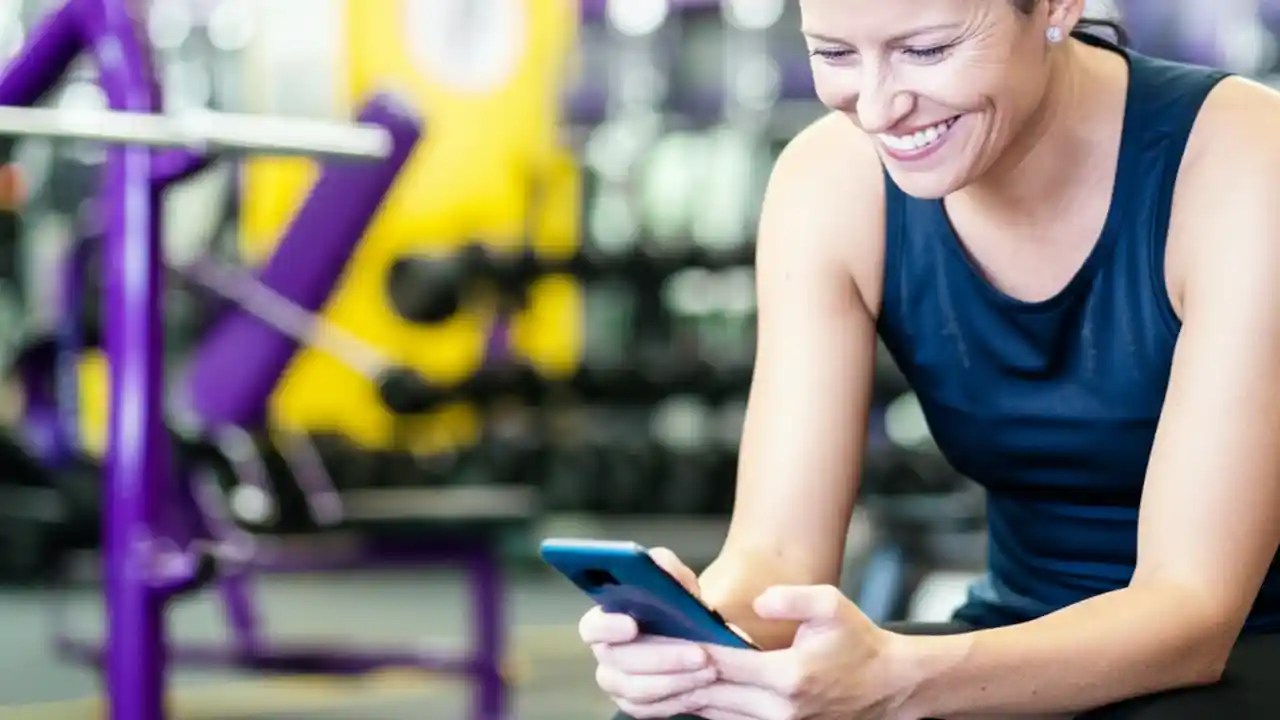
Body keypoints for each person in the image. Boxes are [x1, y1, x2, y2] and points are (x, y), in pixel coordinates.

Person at [578, 0, 1280, 718]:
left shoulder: (1243, 160)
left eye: (927, 50)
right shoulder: (831, 179)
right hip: (1010, 637)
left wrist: (900, 677)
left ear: (1059, 8)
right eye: (836, 55)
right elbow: (778, 556)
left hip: (1243, 648)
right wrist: (697, 642)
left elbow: (1193, 613)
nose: (880, 108)